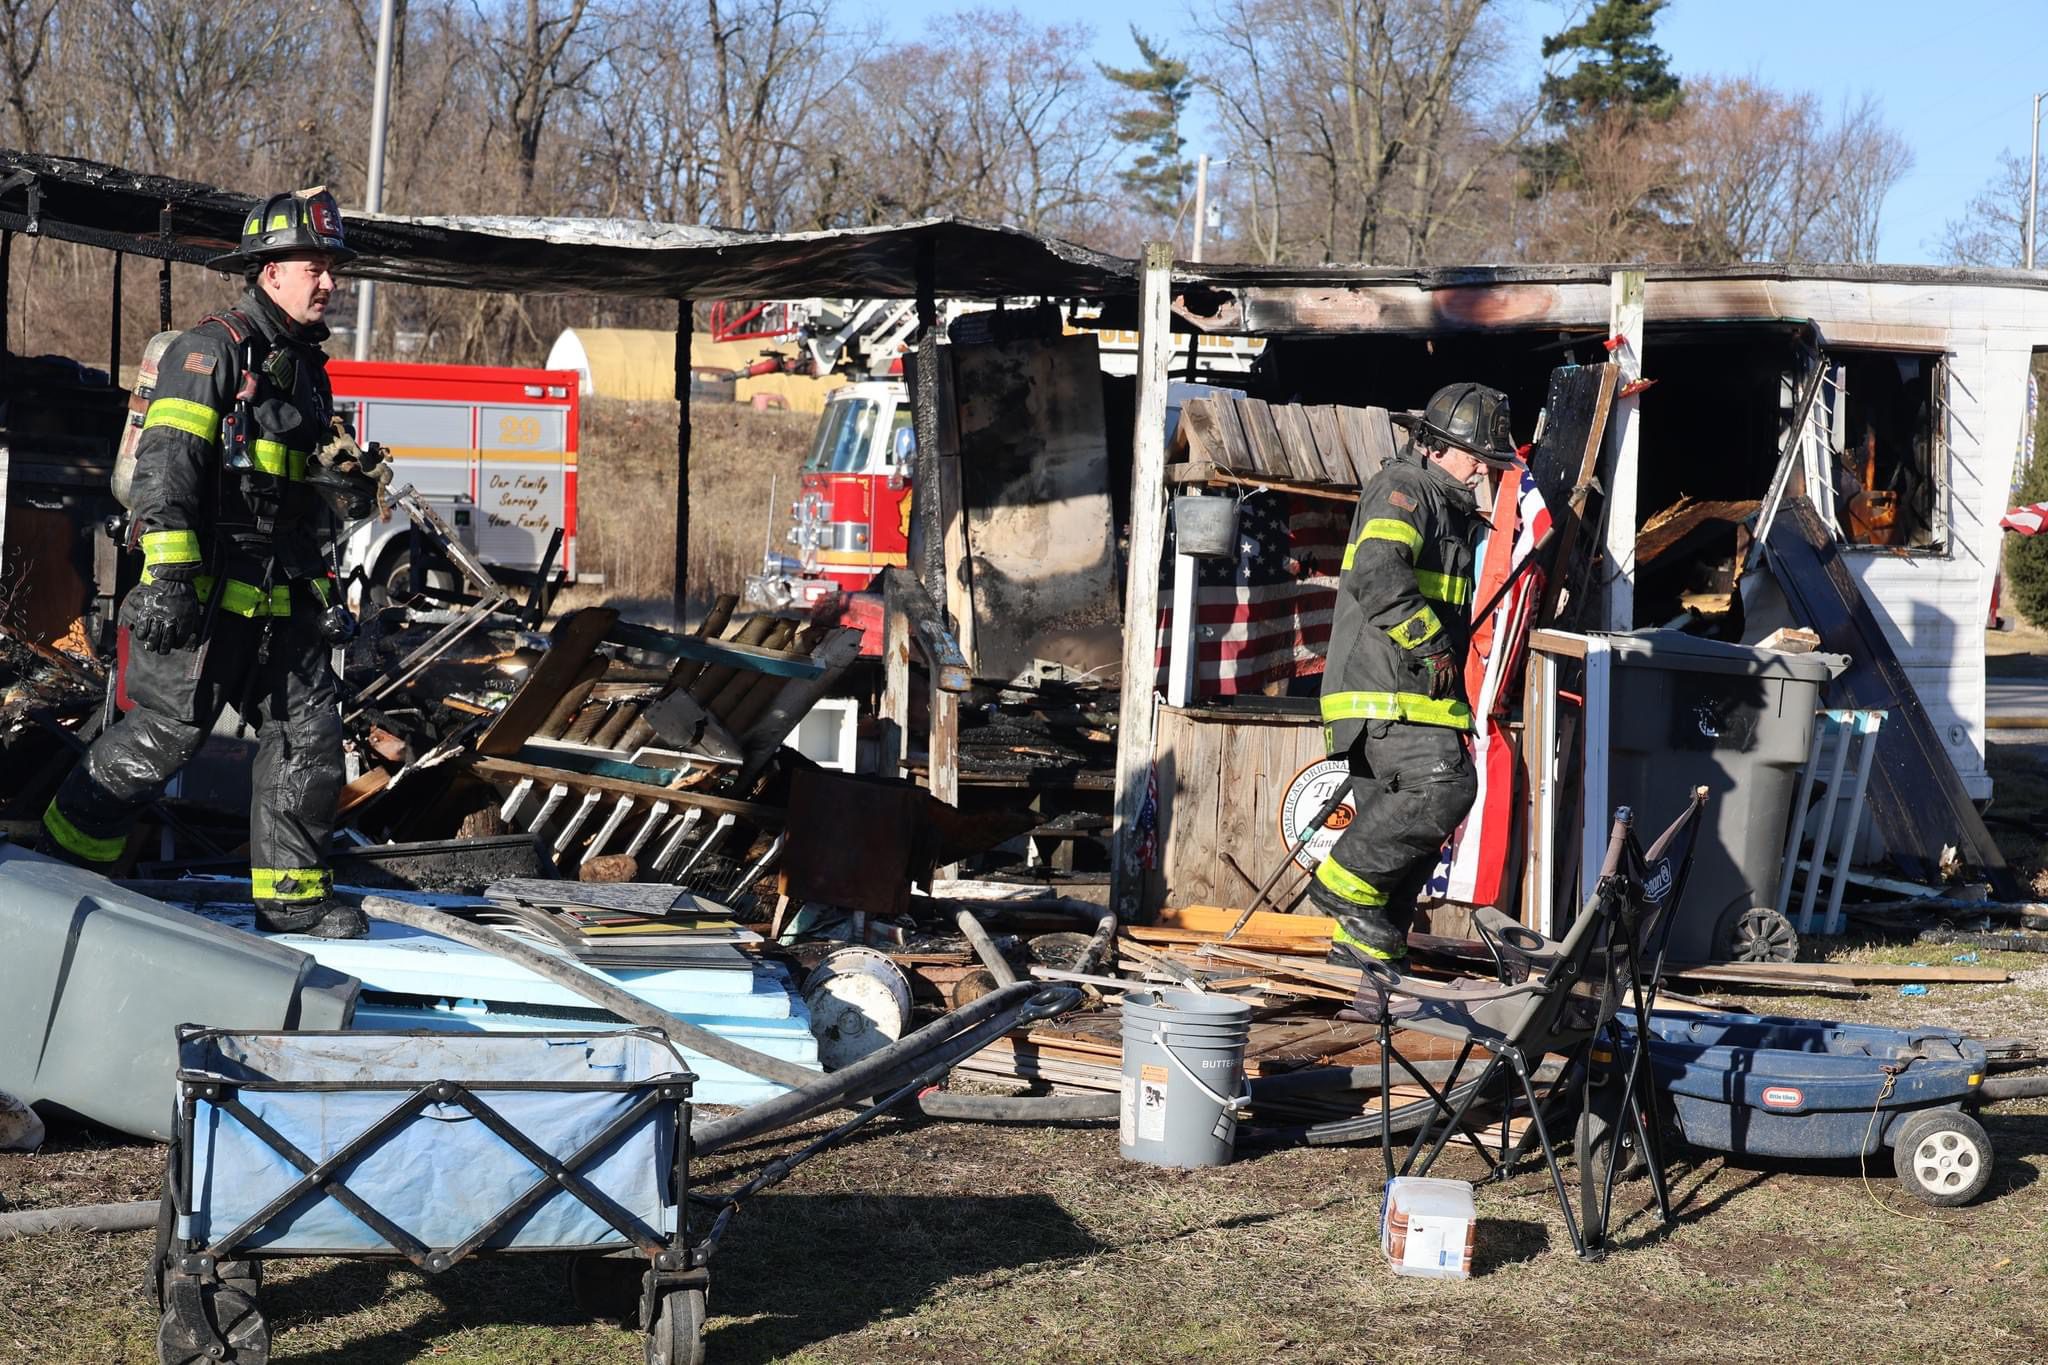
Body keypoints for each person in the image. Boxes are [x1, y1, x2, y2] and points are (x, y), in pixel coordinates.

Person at [41, 188, 381, 939]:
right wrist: (165, 579)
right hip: (200, 595)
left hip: (282, 595)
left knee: (308, 736)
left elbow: (305, 494)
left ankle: (292, 900)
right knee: (166, 733)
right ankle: (56, 864)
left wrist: (345, 500)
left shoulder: (307, 370)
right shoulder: (214, 350)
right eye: (314, 266)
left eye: (332, 267)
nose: (328, 281)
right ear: (269, 271)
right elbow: (167, 468)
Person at [1311, 382, 1520, 968]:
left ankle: (1366, 972)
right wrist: (1431, 647)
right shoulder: (1405, 489)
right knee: (1445, 785)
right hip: (1388, 692)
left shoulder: (1447, 506)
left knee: (1399, 870)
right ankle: (1337, 884)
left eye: (1487, 457)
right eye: (1473, 453)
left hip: (1412, 697)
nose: (1481, 467)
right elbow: (1377, 573)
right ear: (1432, 445)